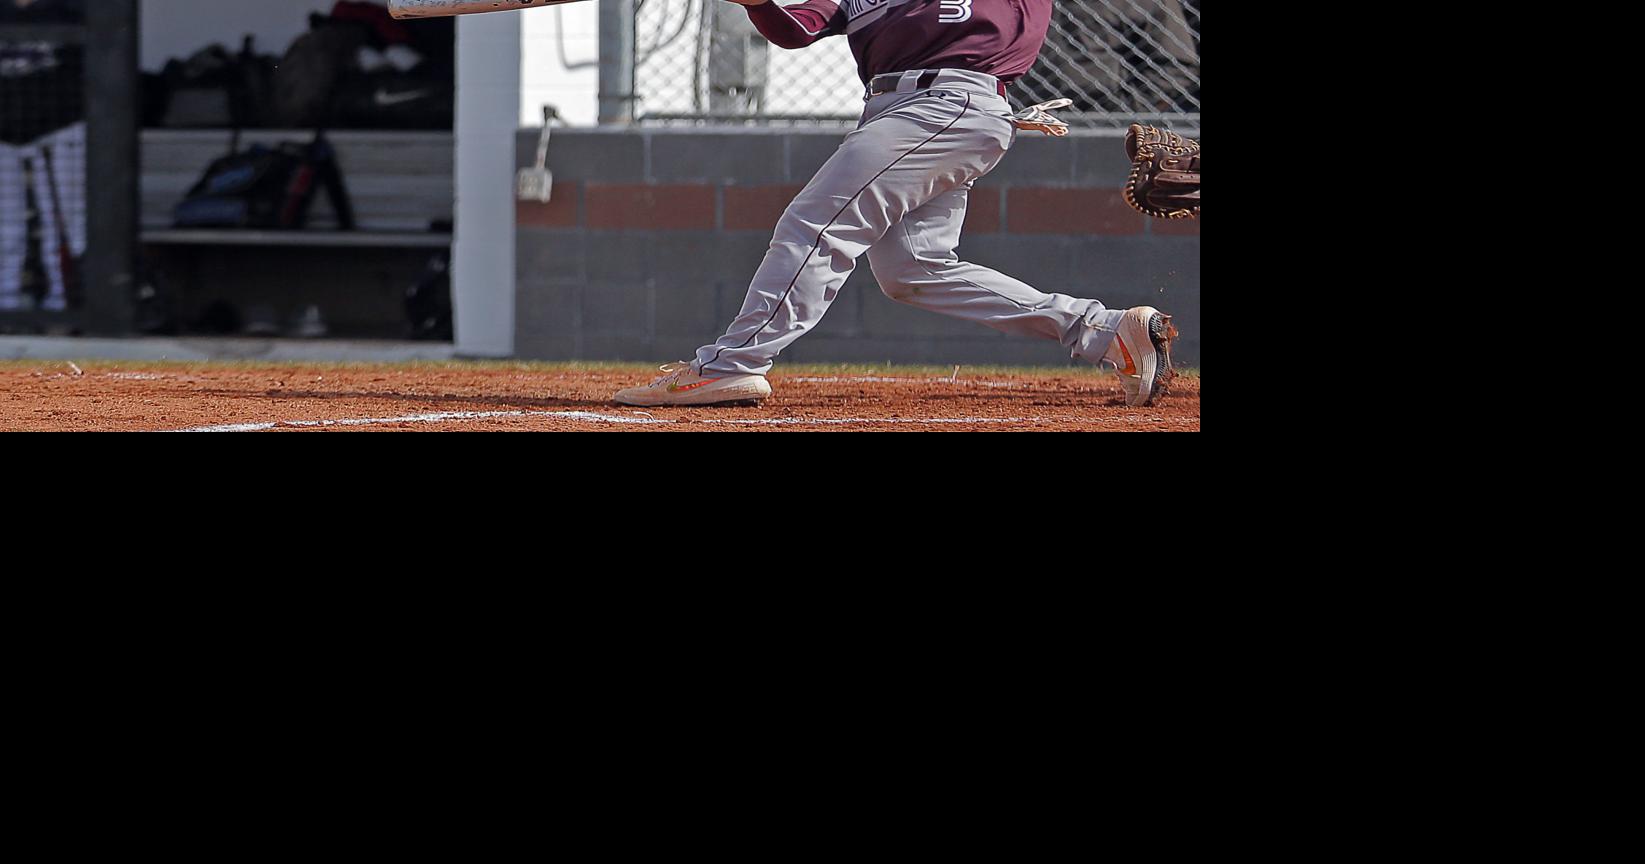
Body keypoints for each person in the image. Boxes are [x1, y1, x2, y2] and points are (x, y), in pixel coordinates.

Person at [614, 0, 1176, 408]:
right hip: (896, 109)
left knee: (816, 226)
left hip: (947, 102)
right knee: (913, 269)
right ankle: (1106, 331)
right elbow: (796, 30)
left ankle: (730, 365)